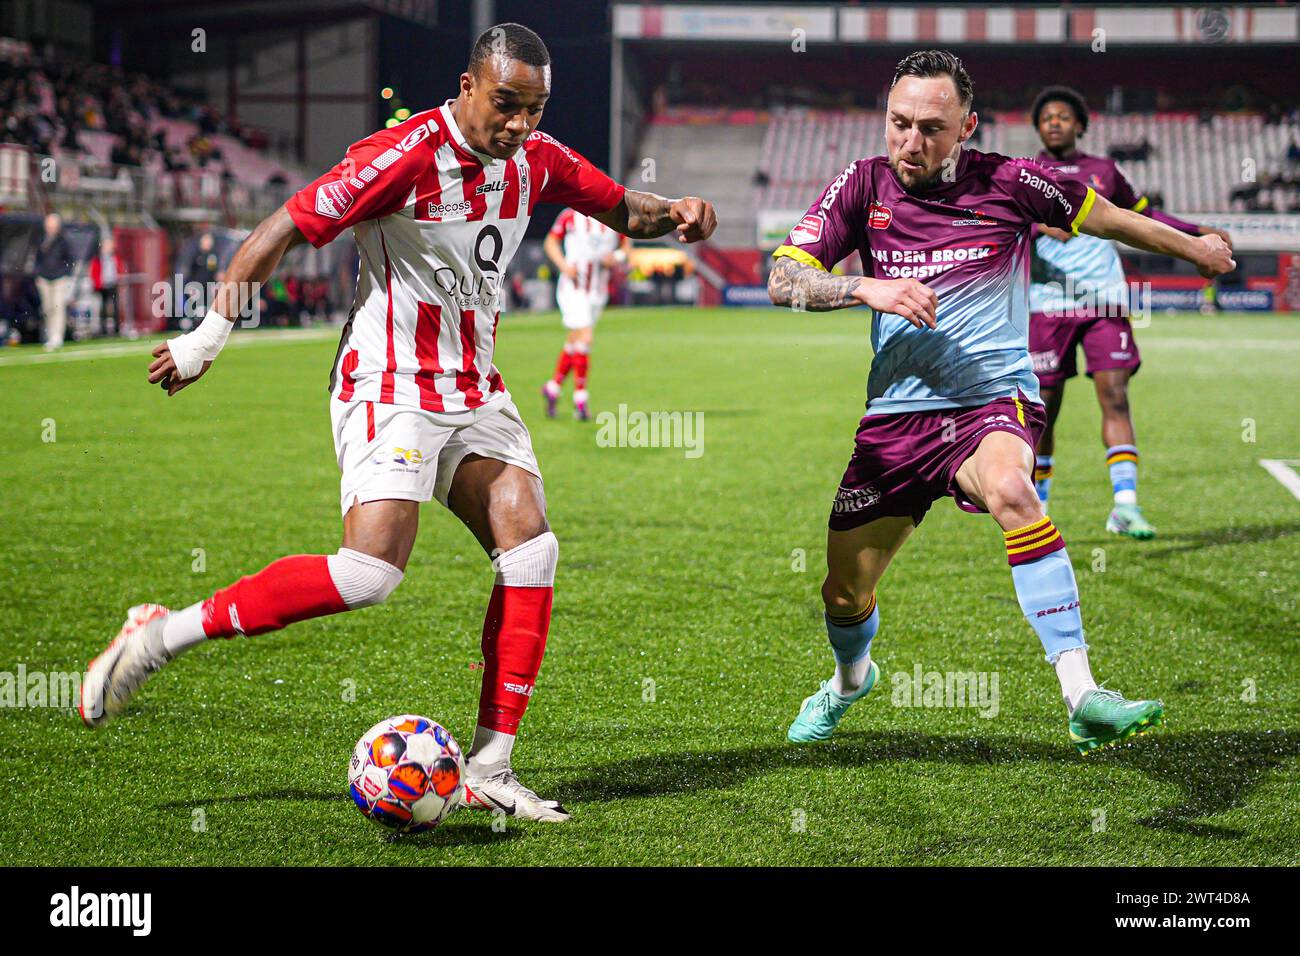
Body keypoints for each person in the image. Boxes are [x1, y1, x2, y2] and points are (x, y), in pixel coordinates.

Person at [80, 23, 717, 823]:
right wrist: (207, 338)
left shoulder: (539, 159)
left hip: (475, 387)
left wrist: (680, 212)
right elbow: (280, 229)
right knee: (368, 576)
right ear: (466, 87)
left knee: (531, 546)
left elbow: (626, 210)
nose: (519, 124)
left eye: (535, 108)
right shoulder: (405, 155)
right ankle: (161, 633)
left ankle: (490, 767)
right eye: (506, 105)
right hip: (390, 385)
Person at [767, 50, 1233, 754]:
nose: (910, 143)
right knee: (843, 595)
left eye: (931, 127)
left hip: (991, 402)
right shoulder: (863, 185)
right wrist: (864, 287)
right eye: (898, 124)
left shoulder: (1013, 182)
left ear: (967, 128)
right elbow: (783, 277)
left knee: (1016, 489)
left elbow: (1106, 218)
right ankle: (849, 680)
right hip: (896, 419)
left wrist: (1194, 248)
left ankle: (1082, 693)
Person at [1027, 87, 1233, 539]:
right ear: (1038, 127)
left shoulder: (1105, 172)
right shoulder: (1027, 174)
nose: (1055, 123)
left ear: (1080, 124)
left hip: (1104, 301)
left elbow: (1145, 216)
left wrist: (1198, 234)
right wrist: (1040, 224)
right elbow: (1004, 226)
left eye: (1064, 116)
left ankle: (1125, 506)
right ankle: (1036, 512)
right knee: (1043, 409)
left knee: (1116, 397)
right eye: (1047, 118)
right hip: (1046, 304)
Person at [541, 207, 629, 420]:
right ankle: (580, 399)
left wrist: (616, 257)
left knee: (575, 342)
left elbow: (626, 247)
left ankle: (553, 388)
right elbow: (550, 242)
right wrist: (563, 266)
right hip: (573, 287)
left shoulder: (612, 218)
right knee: (585, 336)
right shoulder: (570, 216)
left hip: (597, 291)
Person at [33, 212, 74, 351]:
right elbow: (37, 259)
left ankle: (57, 337)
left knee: (58, 307)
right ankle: (49, 335)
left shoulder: (63, 240)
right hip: (44, 278)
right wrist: (38, 274)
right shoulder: (41, 239)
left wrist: (66, 275)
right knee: (47, 308)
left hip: (59, 278)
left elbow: (70, 260)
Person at [90, 233, 124, 337]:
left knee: (116, 307)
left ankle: (117, 329)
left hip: (113, 284)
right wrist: (97, 283)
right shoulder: (98, 259)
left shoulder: (115, 257)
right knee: (104, 308)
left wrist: (119, 278)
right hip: (103, 286)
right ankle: (103, 329)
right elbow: (94, 272)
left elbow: (120, 269)